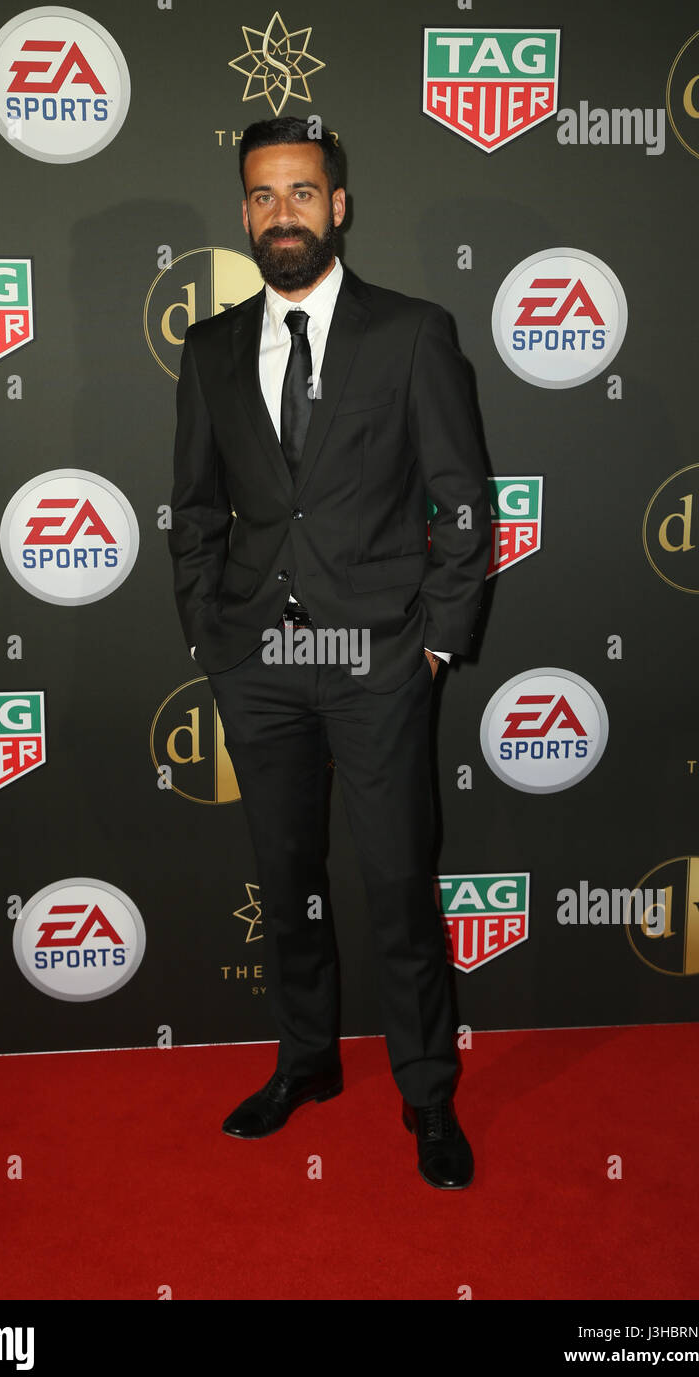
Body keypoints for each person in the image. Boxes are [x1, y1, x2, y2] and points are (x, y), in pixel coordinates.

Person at [170, 115, 490, 1188]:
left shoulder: (410, 331)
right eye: (262, 196)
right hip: (255, 664)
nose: (281, 215)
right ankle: (305, 1060)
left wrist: (436, 645)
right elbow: (194, 508)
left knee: (397, 882)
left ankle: (426, 1094)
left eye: (300, 193)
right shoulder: (209, 347)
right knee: (287, 876)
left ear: (337, 205)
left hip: (378, 660)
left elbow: (460, 502)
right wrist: (208, 637)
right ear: (245, 211)